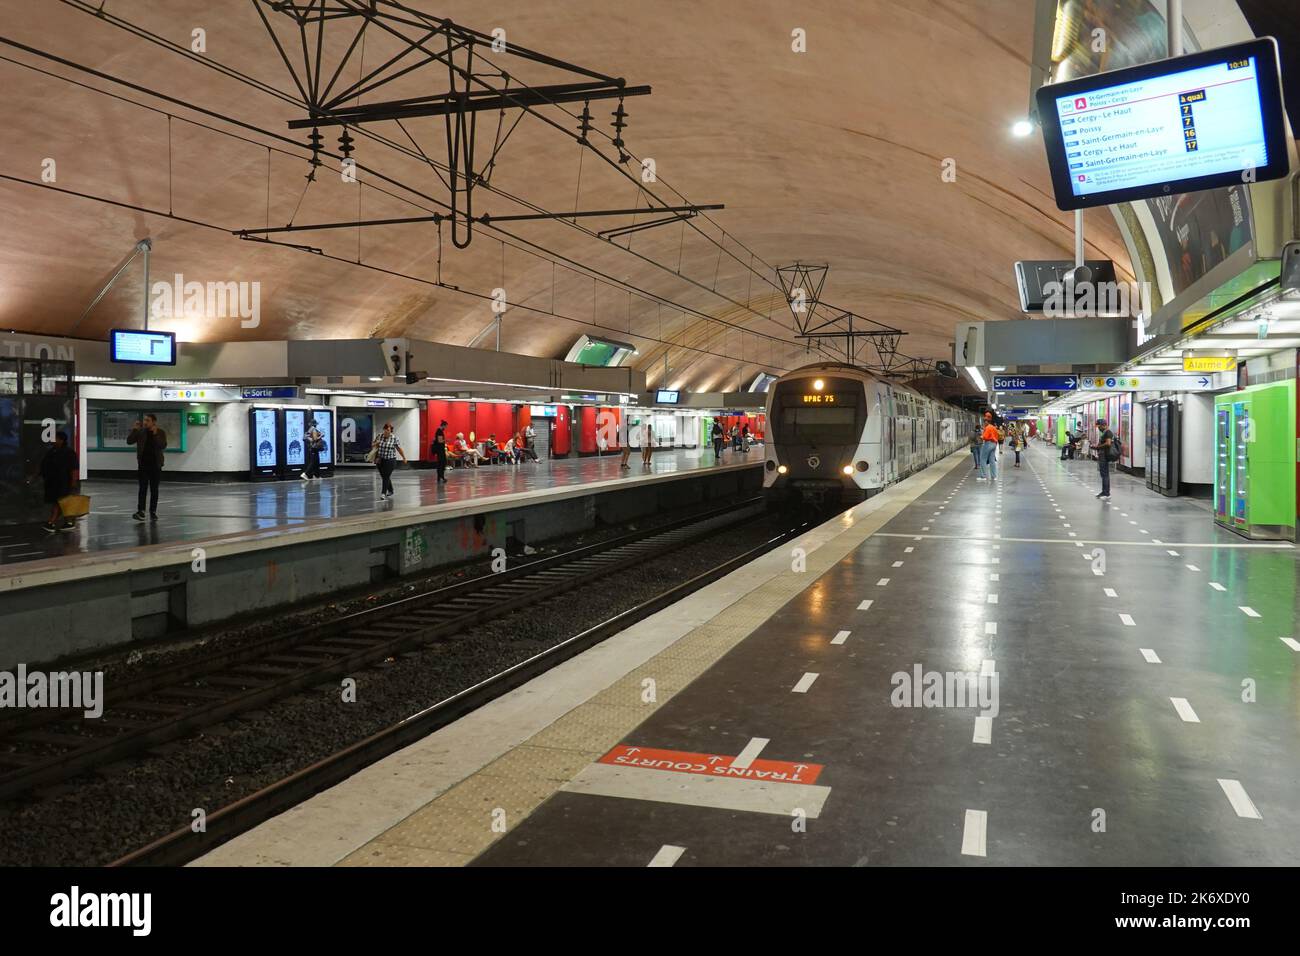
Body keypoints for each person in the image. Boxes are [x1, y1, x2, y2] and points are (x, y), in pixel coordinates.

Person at [127, 413, 167, 520]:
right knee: (142, 488)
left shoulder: (160, 432)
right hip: (143, 464)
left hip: (155, 465)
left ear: (154, 422)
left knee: (154, 489)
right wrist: (134, 430)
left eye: (148, 420)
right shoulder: (141, 432)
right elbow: (129, 441)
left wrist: (155, 435)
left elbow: (162, 445)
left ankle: (153, 511)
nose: (145, 422)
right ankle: (141, 511)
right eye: (144, 420)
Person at [40, 431, 79, 533]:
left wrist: (73, 482)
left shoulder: (69, 452)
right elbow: (43, 465)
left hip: (64, 482)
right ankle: (68, 522)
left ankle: (51, 522)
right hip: (53, 482)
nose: (52, 440)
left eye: (55, 438)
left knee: (59, 502)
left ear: (61, 440)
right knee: (61, 502)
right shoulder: (51, 451)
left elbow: (74, 468)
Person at [371, 421, 407, 498]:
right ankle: (390, 490)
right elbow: (372, 444)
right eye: (385, 430)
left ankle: (383, 493)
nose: (386, 431)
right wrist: (376, 443)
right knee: (384, 476)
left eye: (388, 430)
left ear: (391, 431)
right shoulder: (379, 436)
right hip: (380, 460)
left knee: (386, 476)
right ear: (383, 429)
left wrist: (404, 457)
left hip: (390, 460)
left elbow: (399, 448)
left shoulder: (394, 438)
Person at [977, 413, 999, 481]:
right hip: (994, 444)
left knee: (983, 459)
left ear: (986, 421)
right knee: (992, 460)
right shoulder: (994, 427)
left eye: (984, 421)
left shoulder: (988, 427)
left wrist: (980, 436)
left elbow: (985, 437)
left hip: (988, 444)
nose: (984, 423)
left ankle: (983, 476)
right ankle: (994, 476)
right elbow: (997, 436)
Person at [1095, 419, 1114, 499]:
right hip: (1102, 455)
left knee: (1105, 475)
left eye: (1099, 426)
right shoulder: (1104, 433)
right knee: (1103, 475)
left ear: (1103, 425)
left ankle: (1106, 493)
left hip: (1104, 456)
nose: (1098, 428)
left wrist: (1098, 447)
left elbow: (1108, 443)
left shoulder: (1108, 432)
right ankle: (1104, 491)